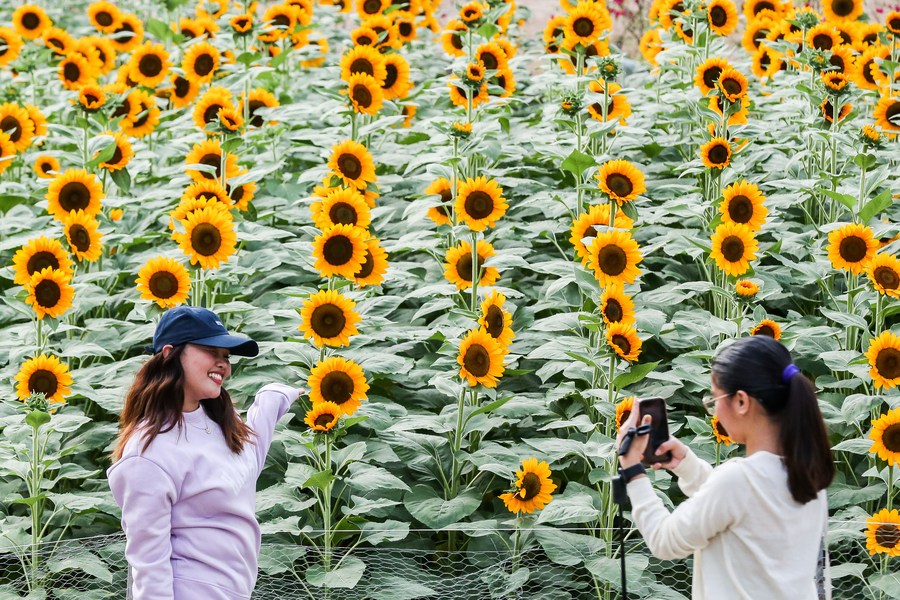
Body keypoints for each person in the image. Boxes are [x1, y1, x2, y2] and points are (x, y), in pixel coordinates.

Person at [107, 306, 304, 600]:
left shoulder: (219, 422)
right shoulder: (148, 453)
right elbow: (149, 567)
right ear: (170, 353)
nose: (223, 364)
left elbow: (245, 467)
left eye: (226, 356)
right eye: (211, 351)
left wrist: (271, 400)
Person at [616, 335, 835, 600]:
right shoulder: (809, 474)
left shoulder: (738, 480)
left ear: (741, 401)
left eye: (715, 399)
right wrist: (687, 466)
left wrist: (633, 471)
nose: (715, 411)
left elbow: (664, 541)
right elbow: (742, 509)